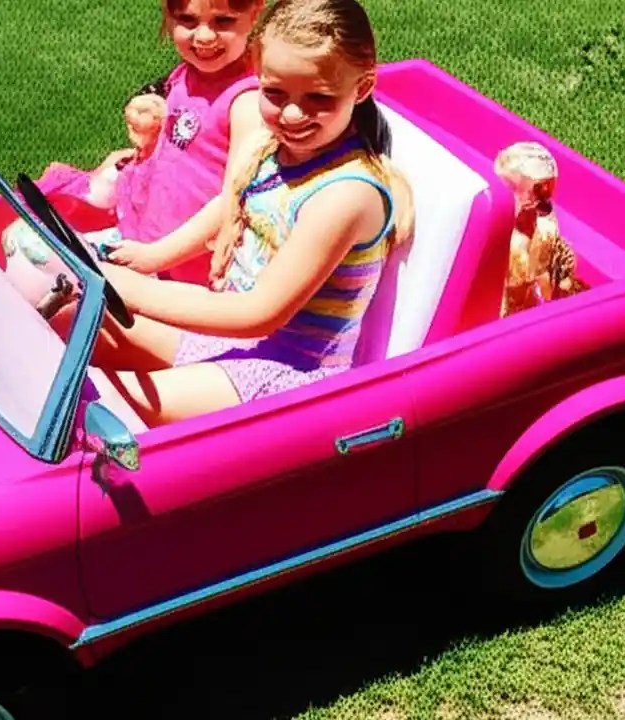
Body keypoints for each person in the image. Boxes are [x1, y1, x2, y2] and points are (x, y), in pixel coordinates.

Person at [71, 0, 416, 428]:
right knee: (67, 324)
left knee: (99, 408)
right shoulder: (276, 149)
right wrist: (151, 260)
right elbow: (231, 200)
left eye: (318, 97)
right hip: (232, 332)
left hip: (289, 371)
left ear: (362, 88)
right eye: (274, 92)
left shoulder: (346, 195)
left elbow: (259, 313)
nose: (291, 114)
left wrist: (127, 289)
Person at [34, 0, 268, 286]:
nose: (205, 36)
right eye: (188, 20)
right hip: (142, 241)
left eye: (224, 21)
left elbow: (235, 197)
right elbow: (186, 156)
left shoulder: (247, 100)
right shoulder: (186, 74)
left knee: (37, 261)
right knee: (28, 243)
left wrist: (156, 256)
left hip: (188, 272)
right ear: (169, 17)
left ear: (255, 13)